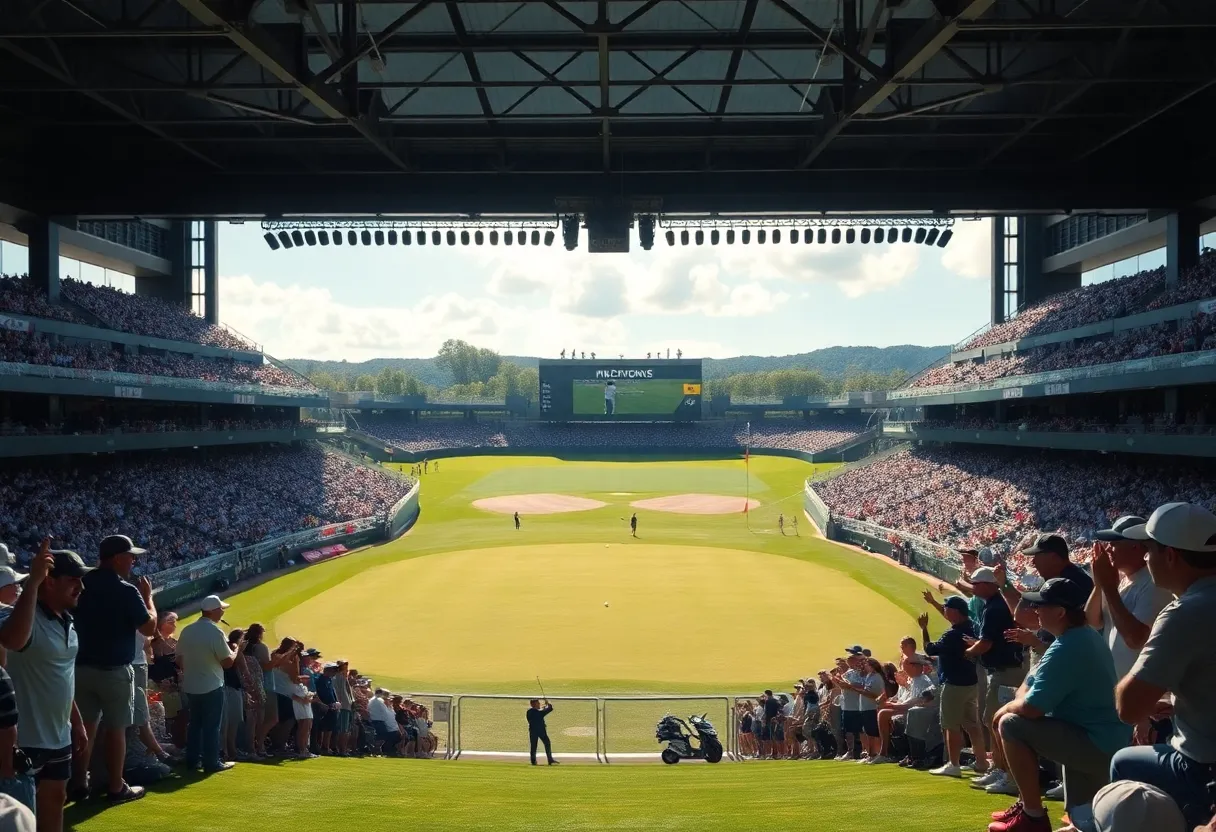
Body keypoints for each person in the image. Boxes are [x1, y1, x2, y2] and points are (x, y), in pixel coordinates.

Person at [988, 578, 1130, 832]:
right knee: (1083, 822)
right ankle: (1043, 812)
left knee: (1011, 724)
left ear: (1061, 612)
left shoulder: (1068, 645)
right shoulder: (1078, 637)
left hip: (1096, 745)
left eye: (1042, 606)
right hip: (1101, 741)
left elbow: (1032, 708)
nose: (1036, 611)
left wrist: (1005, 709)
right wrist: (1015, 703)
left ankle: (1032, 817)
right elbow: (1030, 683)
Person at [1111, 502, 1216, 829]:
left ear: (1170, 555)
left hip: (1204, 767)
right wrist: (1177, 699)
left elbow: (1129, 707)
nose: (1145, 557)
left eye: (1150, 550)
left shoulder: (1185, 612)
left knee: (1125, 763)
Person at [0, 545, 89, 832]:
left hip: (58, 735)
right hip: (22, 740)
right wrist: (33, 583)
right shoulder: (24, 617)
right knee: (21, 817)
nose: (81, 586)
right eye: (73, 580)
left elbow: (62, 676)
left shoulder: (68, 620)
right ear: (50, 580)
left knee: (55, 801)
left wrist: (75, 721)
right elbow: (13, 641)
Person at [71, 534, 156, 805]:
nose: (133, 562)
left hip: (80, 668)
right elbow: (149, 627)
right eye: (130, 556)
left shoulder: (81, 584)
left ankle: (78, 782)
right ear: (117, 558)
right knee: (117, 729)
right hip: (114, 670)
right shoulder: (126, 589)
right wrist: (149, 599)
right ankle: (116, 786)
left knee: (85, 727)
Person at [1086, 516, 1174, 679]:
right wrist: (1100, 584)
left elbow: (1135, 639)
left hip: (1142, 691)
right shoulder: (1118, 580)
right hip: (1117, 683)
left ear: (1135, 545)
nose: (1109, 549)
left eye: (1115, 543)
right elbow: (1092, 621)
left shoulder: (1154, 583)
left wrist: (1109, 588)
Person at [965, 566, 1026, 796]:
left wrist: (968, 652)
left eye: (977, 583)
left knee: (995, 720)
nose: (973, 587)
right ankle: (1000, 768)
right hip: (1002, 669)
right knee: (992, 719)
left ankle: (1007, 773)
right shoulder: (993, 605)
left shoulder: (994, 607)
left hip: (1006, 670)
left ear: (989, 584)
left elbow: (986, 644)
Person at [920, 596, 986, 777]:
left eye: (947, 608)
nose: (944, 610)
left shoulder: (952, 634)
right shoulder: (972, 627)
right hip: (970, 682)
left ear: (955, 612)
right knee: (972, 725)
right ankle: (981, 762)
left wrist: (924, 629)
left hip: (953, 684)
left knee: (951, 725)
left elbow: (930, 649)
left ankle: (954, 764)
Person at [176, 595, 241, 773]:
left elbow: (180, 660)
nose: (222, 612)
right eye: (220, 609)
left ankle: (193, 760)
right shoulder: (215, 631)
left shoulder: (187, 630)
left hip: (191, 685)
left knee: (195, 724)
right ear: (213, 611)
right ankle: (212, 762)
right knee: (212, 725)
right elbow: (227, 662)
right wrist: (235, 650)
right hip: (212, 684)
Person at [526, 699, 557, 765]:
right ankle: (550, 759)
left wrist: (545, 707)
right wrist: (548, 704)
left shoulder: (529, 712)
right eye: (538, 703)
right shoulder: (538, 713)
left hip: (532, 731)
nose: (539, 704)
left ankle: (533, 761)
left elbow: (543, 711)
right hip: (541, 731)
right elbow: (549, 709)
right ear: (533, 704)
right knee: (547, 743)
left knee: (533, 746)